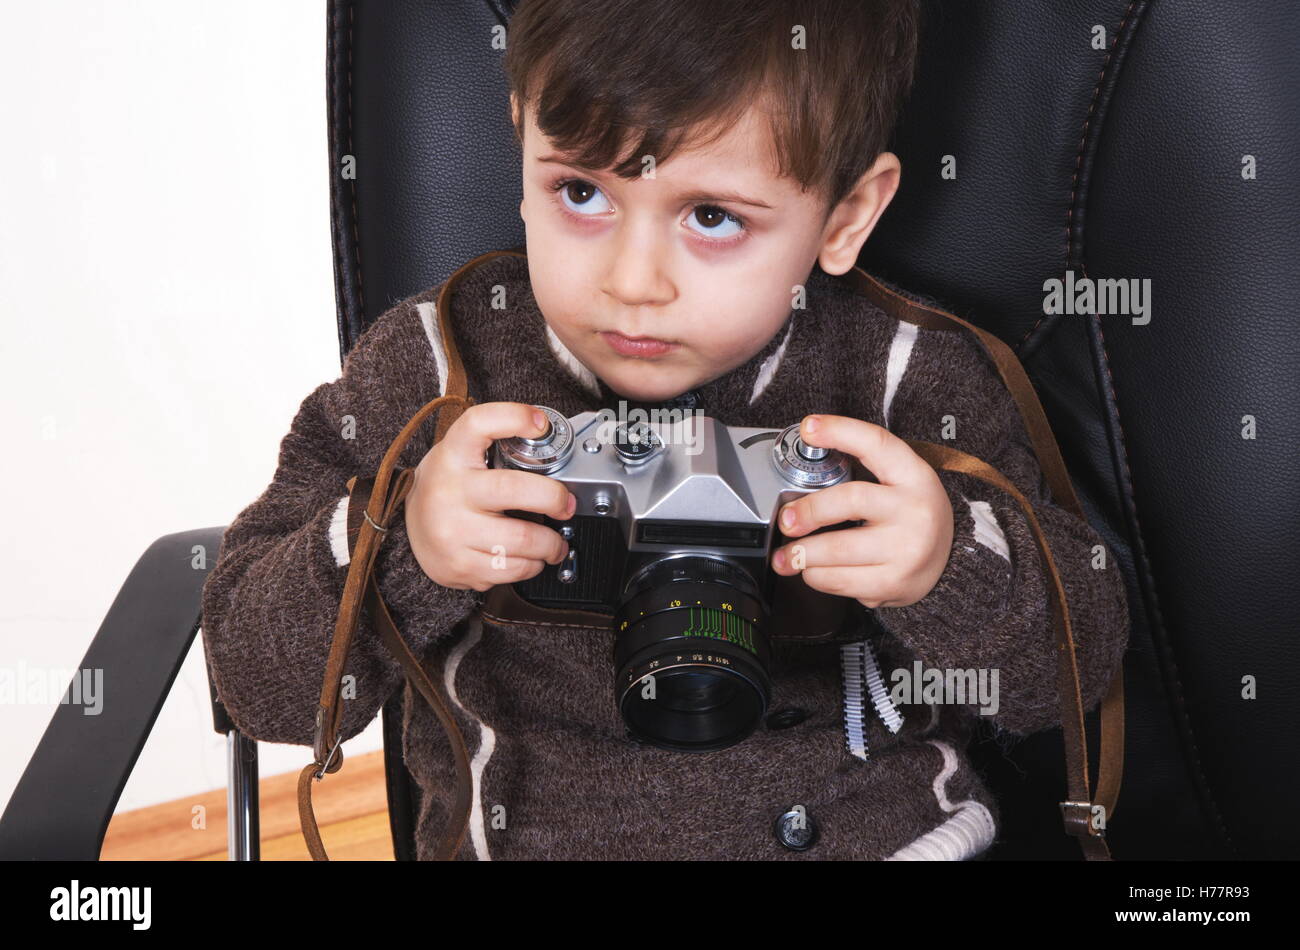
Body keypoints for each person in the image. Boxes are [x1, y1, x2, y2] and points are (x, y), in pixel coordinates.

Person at [200, 0, 1129, 860]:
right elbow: (259, 684)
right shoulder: (433, 370)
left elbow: (1070, 681)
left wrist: (945, 566)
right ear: (520, 137)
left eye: (713, 216)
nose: (634, 281)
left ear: (845, 216)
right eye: (581, 195)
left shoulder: (906, 379)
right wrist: (403, 541)